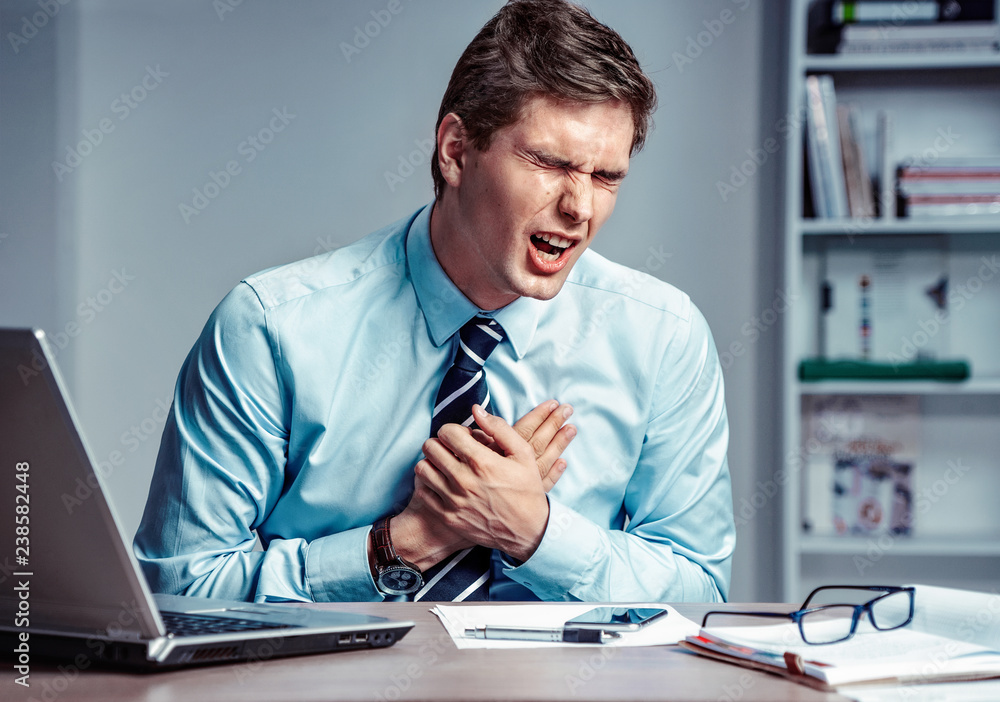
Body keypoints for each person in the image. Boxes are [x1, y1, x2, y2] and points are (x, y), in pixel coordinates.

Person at [134, 0, 735, 604]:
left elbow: (700, 590)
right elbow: (180, 589)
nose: (580, 208)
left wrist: (534, 532)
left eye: (606, 177)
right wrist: (412, 539)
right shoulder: (270, 327)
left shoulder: (663, 336)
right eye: (550, 163)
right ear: (455, 150)